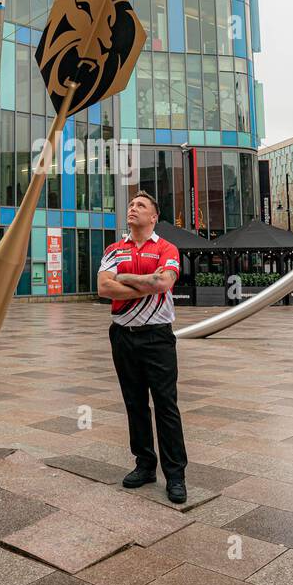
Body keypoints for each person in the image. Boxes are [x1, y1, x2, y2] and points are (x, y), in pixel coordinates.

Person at [96, 190, 189, 504]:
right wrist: (144, 280)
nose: (133, 208)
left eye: (141, 205)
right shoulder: (114, 249)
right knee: (134, 403)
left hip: (157, 337)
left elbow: (163, 284)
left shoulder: (167, 248)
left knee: (166, 406)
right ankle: (145, 464)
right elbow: (103, 287)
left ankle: (175, 476)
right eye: (132, 204)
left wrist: (125, 278)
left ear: (154, 216)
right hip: (122, 336)